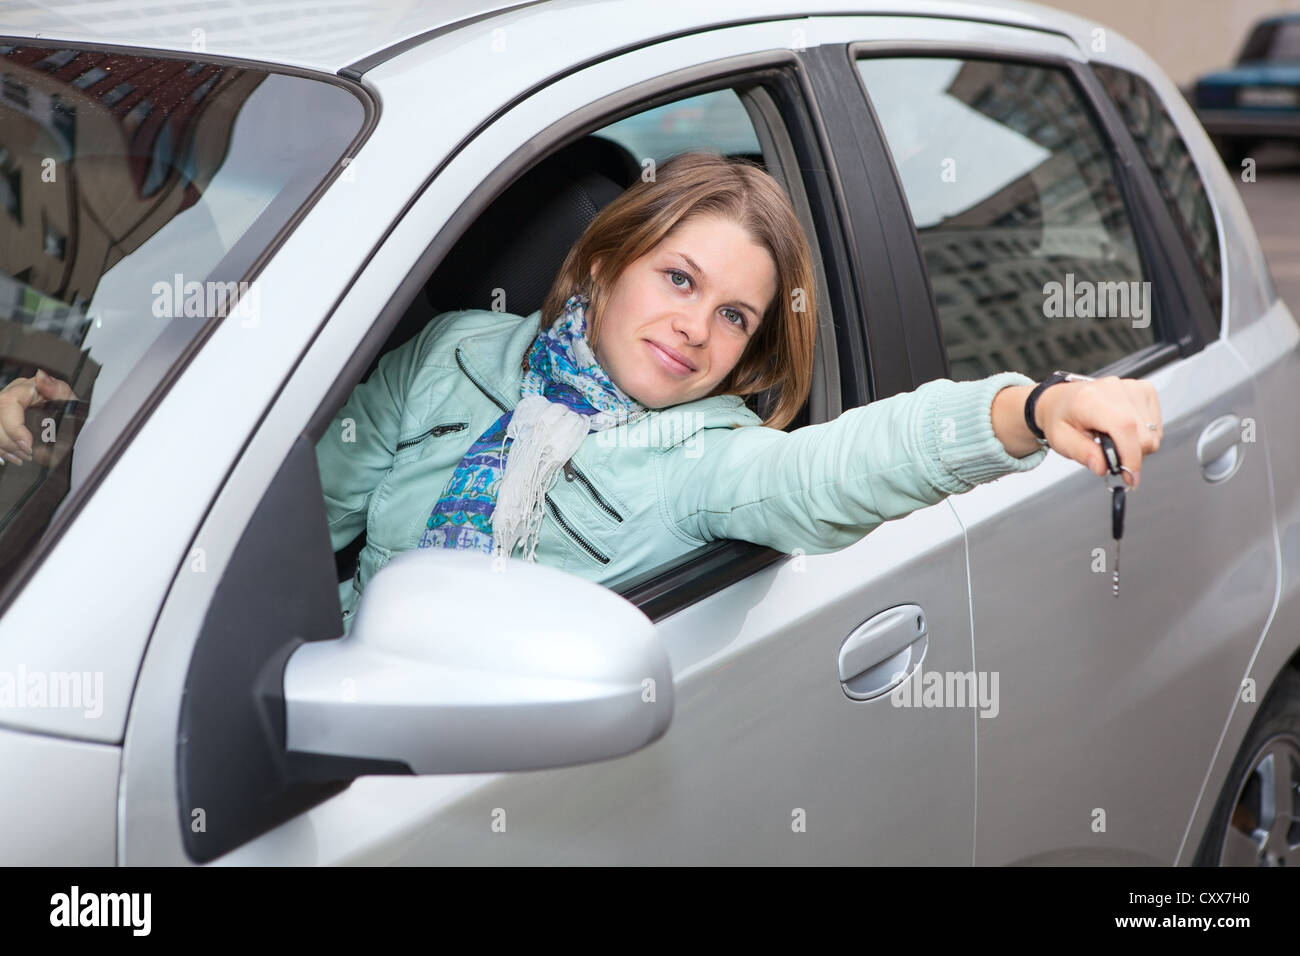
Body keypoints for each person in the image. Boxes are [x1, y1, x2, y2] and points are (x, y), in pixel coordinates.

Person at [0, 152, 1162, 632]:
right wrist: (74, 431)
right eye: (677, 277)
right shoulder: (459, 351)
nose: (693, 328)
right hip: (331, 702)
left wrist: (1022, 407)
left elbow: (832, 469)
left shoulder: (699, 453)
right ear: (604, 264)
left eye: (733, 315)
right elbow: (294, 502)